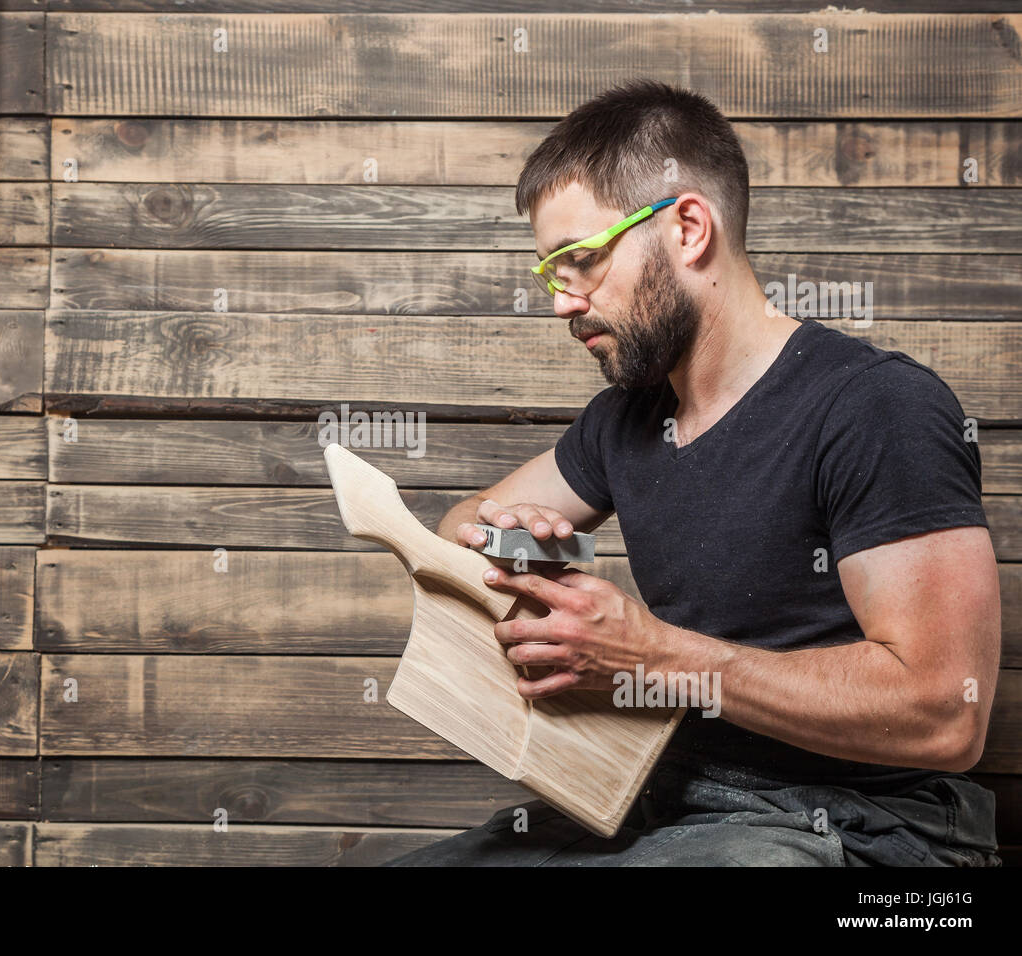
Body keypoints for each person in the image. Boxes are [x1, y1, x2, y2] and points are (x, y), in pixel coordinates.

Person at [384, 80, 1002, 867]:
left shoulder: (877, 406)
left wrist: (653, 657)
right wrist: (507, 540)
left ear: (686, 227)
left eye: (579, 261)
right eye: (550, 274)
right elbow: (459, 526)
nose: (562, 302)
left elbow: (947, 714)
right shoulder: (630, 417)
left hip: (869, 824)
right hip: (664, 795)